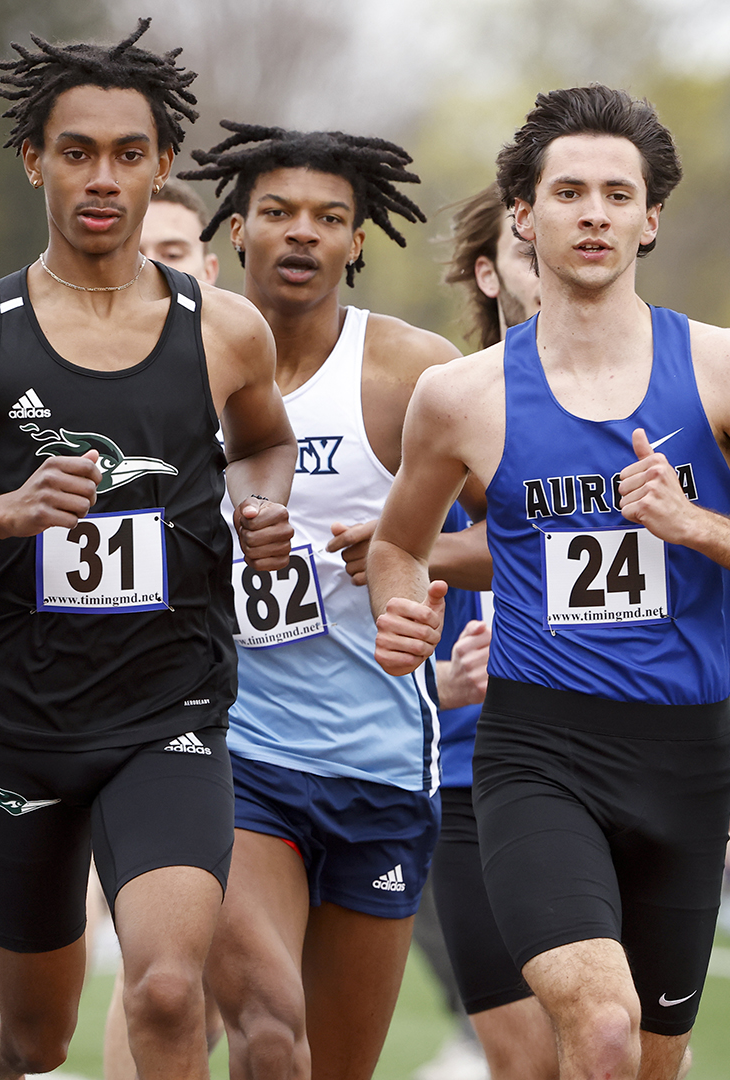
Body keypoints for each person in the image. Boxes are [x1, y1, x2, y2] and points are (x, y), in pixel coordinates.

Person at [369, 86, 730, 1080]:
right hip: (535, 750)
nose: (592, 212)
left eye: (615, 193)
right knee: (595, 1028)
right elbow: (399, 545)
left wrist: (695, 526)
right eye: (568, 192)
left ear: (651, 219)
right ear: (524, 215)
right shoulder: (460, 399)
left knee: (648, 1059)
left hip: (683, 758)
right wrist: (398, 617)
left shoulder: (729, 372)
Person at [0, 21, 299, 1079]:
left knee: (161, 989)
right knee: (37, 1037)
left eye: (128, 155)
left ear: (159, 168)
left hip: (171, 712)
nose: (102, 178)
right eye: (76, 152)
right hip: (22, 728)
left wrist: (260, 507)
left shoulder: (227, 328)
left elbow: (266, 440)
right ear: (34, 162)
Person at [168, 121, 487, 1080]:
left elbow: (519, 541)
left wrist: (406, 550)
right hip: (228, 749)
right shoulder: (170, 365)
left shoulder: (411, 372)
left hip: (380, 758)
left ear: (356, 241)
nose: (301, 233)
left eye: (328, 218)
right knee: (269, 1032)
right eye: (277, 213)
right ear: (237, 233)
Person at [92, 173, 226, 1080]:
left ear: (210, 269)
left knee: (206, 994)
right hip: (119, 715)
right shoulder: (76, 399)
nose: (154, 273)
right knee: (160, 984)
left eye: (172, 255)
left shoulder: (261, 388)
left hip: (285, 725)